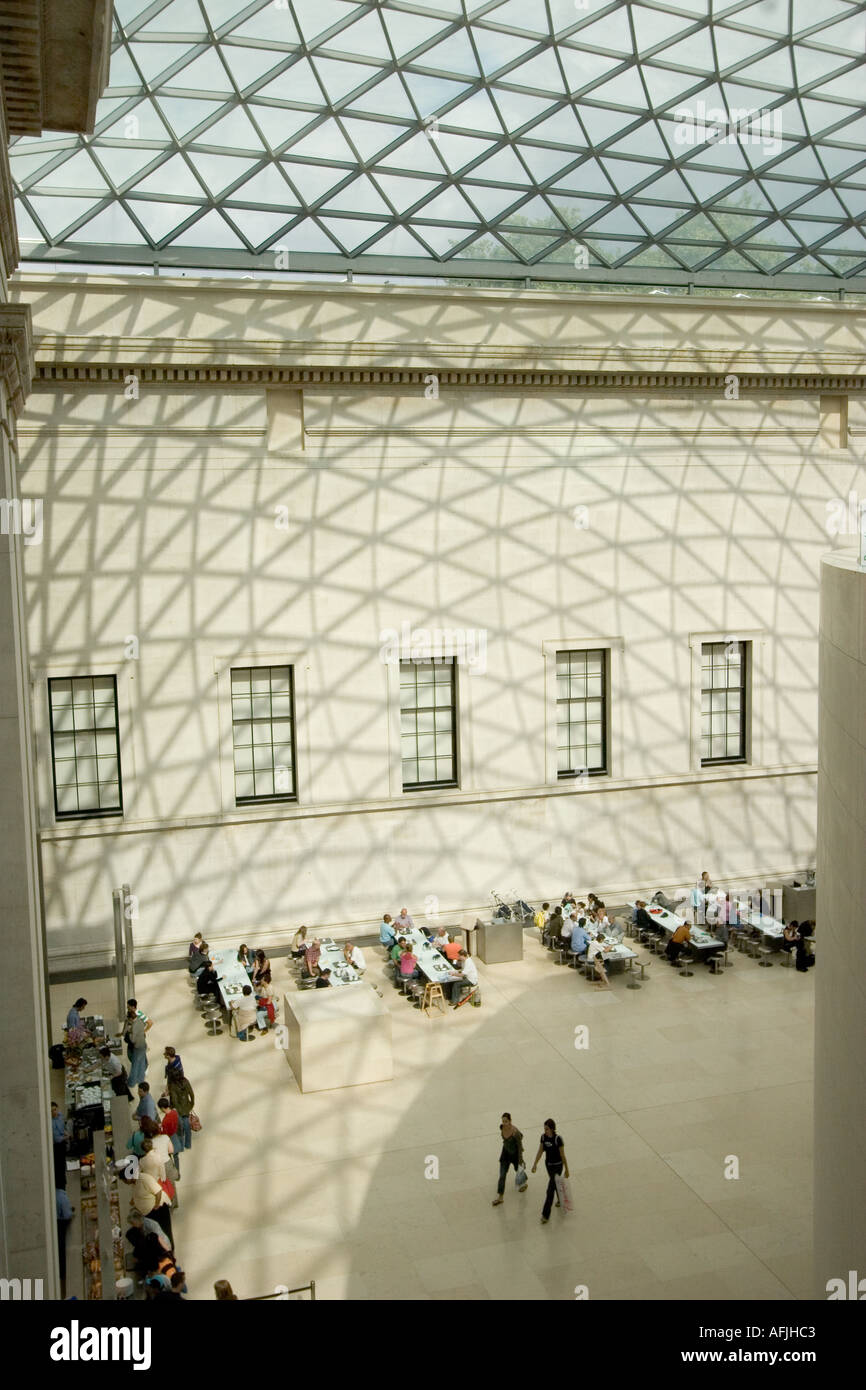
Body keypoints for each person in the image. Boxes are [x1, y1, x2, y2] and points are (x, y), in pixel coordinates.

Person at [531, 1120, 569, 1224]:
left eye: (547, 1129)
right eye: (544, 1129)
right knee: (554, 1183)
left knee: (550, 1190)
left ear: (552, 1128)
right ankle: (561, 1199)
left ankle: (545, 1215)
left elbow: (563, 1155)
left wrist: (566, 1169)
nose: (545, 1131)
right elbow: (540, 1151)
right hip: (548, 1165)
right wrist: (535, 1164)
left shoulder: (558, 1139)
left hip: (558, 1166)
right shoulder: (543, 1137)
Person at [492, 1113, 526, 1205]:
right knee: (502, 1175)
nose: (504, 1123)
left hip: (514, 1155)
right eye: (503, 1121)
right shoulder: (502, 1128)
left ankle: (524, 1182)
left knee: (518, 1170)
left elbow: (519, 1146)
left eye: (506, 1121)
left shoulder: (515, 1132)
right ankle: (500, 1197)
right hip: (505, 1154)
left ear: (510, 1121)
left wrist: (520, 1160)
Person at [167, 1066, 195, 1151]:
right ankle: (188, 1144)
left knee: (180, 1128)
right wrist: (191, 1105)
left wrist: (177, 1110)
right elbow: (192, 1094)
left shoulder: (173, 1085)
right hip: (186, 1107)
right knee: (187, 1127)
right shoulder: (185, 1081)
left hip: (178, 1110)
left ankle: (181, 1147)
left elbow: (174, 1101)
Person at [123, 1004, 148, 1088]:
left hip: (137, 1047)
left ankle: (132, 1082)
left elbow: (133, 1040)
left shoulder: (134, 1024)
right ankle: (141, 1079)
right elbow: (145, 1024)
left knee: (135, 1064)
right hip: (142, 1044)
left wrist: (130, 1032)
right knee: (140, 1063)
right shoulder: (140, 1020)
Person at [56, 1187, 74, 1280]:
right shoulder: (61, 1196)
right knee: (61, 1247)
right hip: (60, 1225)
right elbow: (67, 1215)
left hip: (55, 1223)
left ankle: (61, 1273)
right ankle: (63, 1272)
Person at [51, 1102, 68, 1188]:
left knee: (63, 1164)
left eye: (55, 1109)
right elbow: (56, 1138)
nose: (54, 1112)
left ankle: (64, 1181)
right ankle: (61, 1186)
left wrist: (65, 1132)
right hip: (57, 1146)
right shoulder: (51, 1123)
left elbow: (63, 1127)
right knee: (59, 1167)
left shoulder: (60, 1116)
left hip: (63, 1143)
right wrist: (66, 1137)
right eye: (52, 1111)